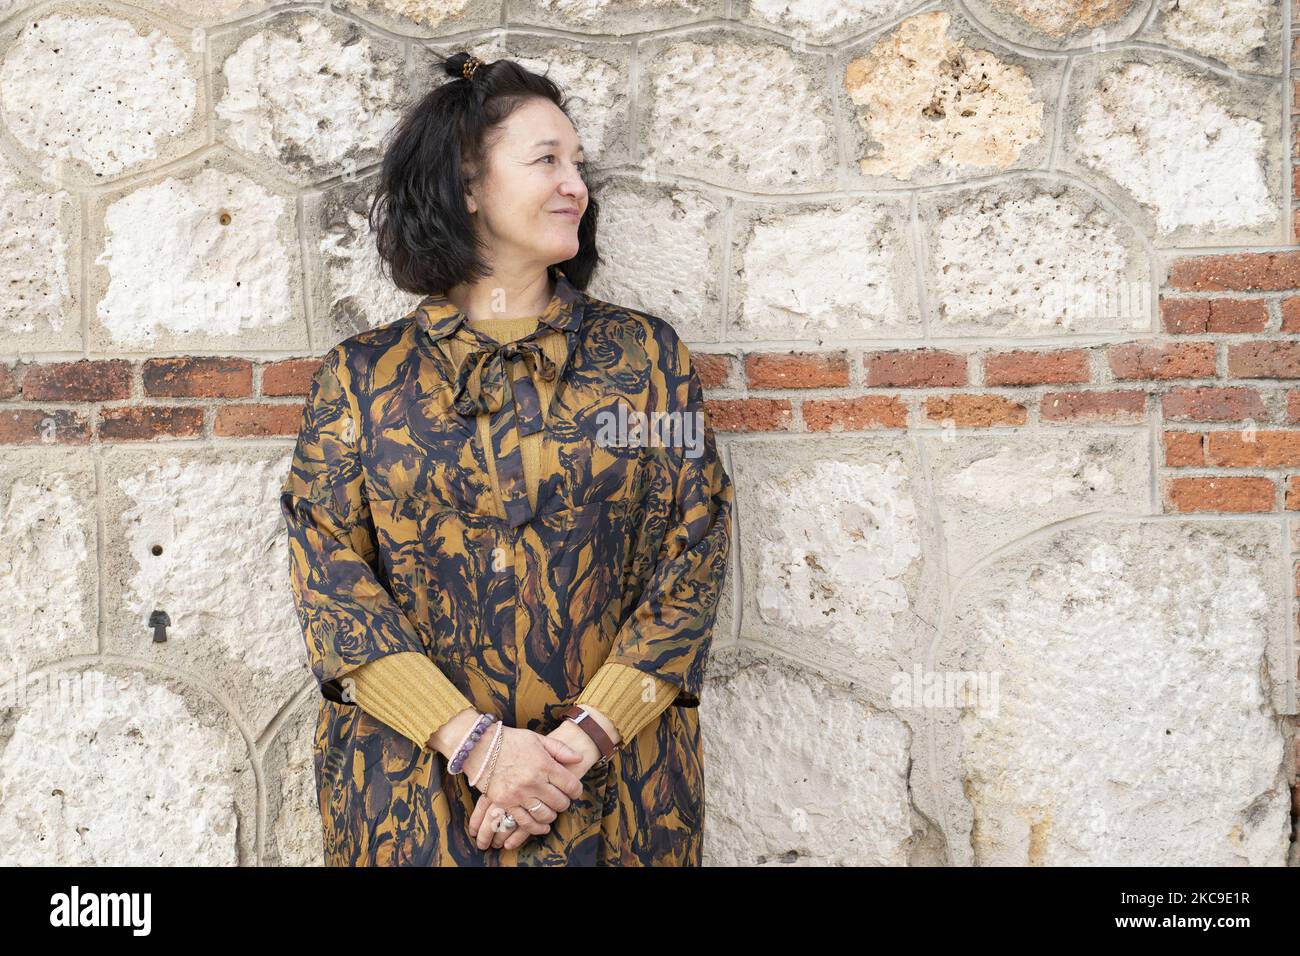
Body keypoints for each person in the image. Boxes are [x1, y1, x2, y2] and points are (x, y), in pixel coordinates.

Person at [280, 50, 733, 865]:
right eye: (546, 161)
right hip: (411, 799)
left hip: (617, 796)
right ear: (466, 186)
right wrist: (482, 750)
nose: (576, 186)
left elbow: (693, 559)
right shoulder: (361, 380)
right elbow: (333, 590)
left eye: (579, 165)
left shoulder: (644, 363)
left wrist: (572, 752)